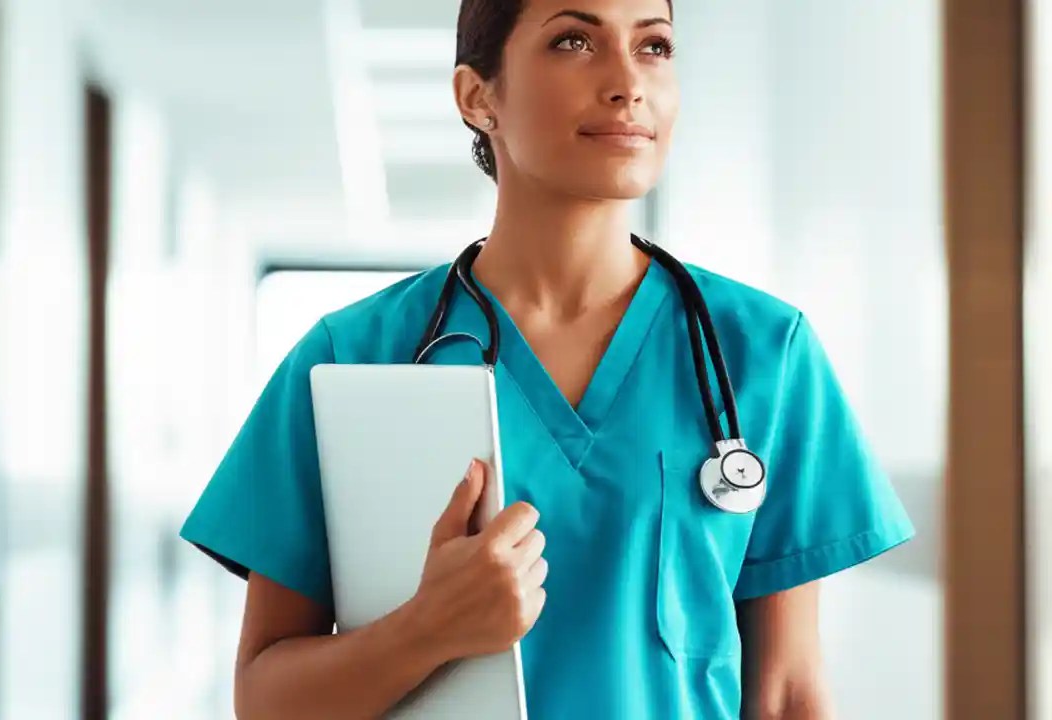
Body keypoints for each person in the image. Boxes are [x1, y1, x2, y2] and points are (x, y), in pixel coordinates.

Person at [179, 0, 915, 717]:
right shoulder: (352, 357)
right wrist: (426, 631)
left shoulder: (762, 352)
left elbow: (787, 694)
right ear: (477, 97)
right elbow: (267, 699)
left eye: (653, 45)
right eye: (573, 42)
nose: (628, 82)